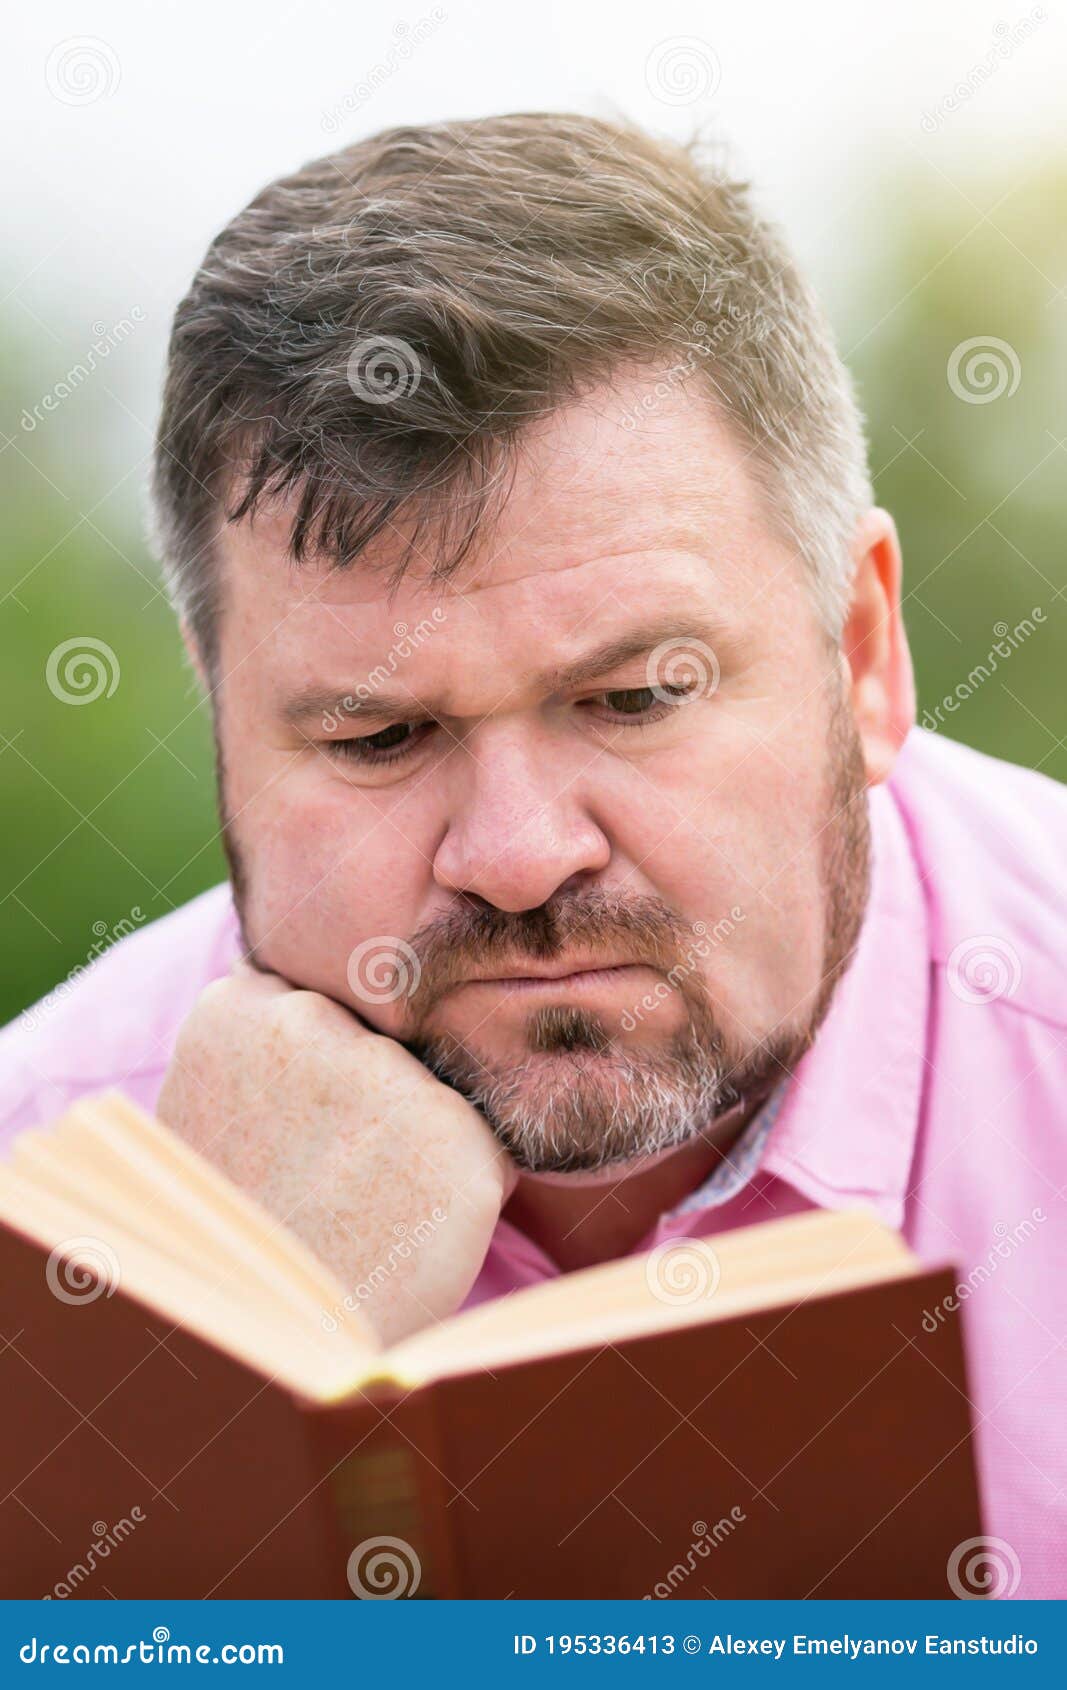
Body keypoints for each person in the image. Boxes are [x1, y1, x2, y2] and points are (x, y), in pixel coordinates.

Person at [2, 113, 1064, 1597]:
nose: (515, 855)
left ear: (865, 658)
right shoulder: (34, 1162)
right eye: (376, 737)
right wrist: (207, 1379)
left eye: (634, 699)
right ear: (223, 716)